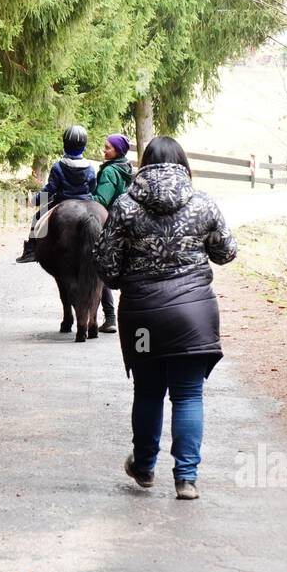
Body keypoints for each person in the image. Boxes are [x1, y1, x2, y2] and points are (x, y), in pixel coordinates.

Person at [94, 136, 237, 500]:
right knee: (189, 396)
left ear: (143, 164)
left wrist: (134, 278)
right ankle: (186, 479)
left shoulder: (125, 206)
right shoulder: (203, 203)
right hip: (194, 315)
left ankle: (144, 468)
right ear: (182, 163)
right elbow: (226, 253)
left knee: (148, 391)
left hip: (143, 318)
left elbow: (107, 268)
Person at [14, 124, 97, 263]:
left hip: (62, 201)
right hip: (85, 202)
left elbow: (50, 189)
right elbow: (92, 187)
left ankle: (31, 251)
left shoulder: (58, 166)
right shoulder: (90, 168)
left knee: (37, 217)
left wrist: (35, 200)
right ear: (84, 147)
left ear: (65, 146)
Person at [91, 133, 134, 333]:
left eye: (108, 147)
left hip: (109, 224)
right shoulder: (127, 168)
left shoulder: (109, 172)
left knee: (100, 268)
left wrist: (85, 196)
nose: (104, 150)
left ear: (117, 151)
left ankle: (109, 317)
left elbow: (101, 200)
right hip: (126, 223)